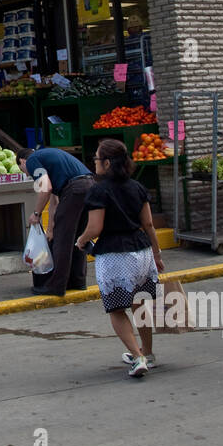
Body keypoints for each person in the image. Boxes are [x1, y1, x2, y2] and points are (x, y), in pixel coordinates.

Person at [74, 139, 166, 378]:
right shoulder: (137, 187)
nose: (94, 162)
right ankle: (148, 352)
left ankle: (137, 358)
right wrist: (156, 254)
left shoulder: (98, 190)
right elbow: (148, 224)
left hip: (115, 254)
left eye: (96, 158)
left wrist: (82, 240)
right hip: (142, 251)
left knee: (116, 309)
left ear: (106, 163)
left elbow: (95, 227)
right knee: (140, 304)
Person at [18, 146, 93, 296]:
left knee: (63, 240)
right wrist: (51, 229)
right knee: (78, 237)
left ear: (22, 161)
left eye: (23, 171)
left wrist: (36, 214)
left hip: (74, 189)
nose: (27, 175)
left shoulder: (32, 161)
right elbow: (55, 202)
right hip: (89, 185)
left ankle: (56, 286)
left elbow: (45, 188)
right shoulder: (48, 159)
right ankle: (78, 281)